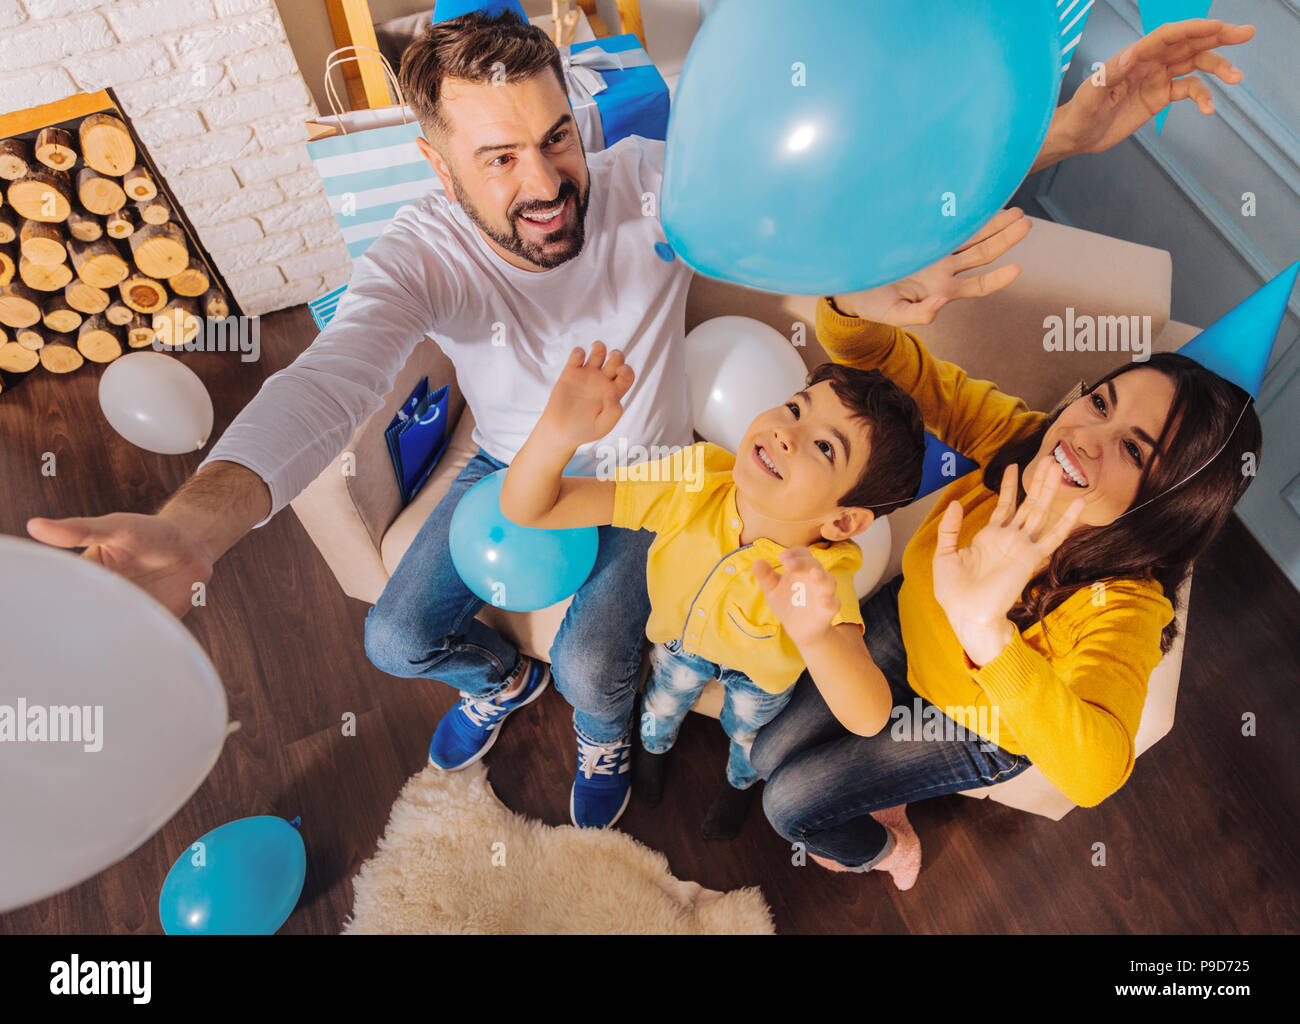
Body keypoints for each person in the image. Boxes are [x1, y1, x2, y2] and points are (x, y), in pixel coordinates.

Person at [24, 13, 1254, 833]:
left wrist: (1060, 132)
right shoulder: (420, 258)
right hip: (521, 468)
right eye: (499, 158)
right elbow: (332, 376)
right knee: (396, 641)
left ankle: (605, 747)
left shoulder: (653, 192)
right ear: (438, 162)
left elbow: (840, 229)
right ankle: (493, 678)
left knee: (602, 666)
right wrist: (200, 525)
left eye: (557, 136)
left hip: (659, 473)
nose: (546, 180)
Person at [748, 207, 1263, 890]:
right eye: (1102, 404)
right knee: (765, 753)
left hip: (972, 724)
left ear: (1166, 502)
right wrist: (855, 301)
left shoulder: (1125, 608)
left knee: (790, 805)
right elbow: (882, 358)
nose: (1085, 438)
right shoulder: (1020, 443)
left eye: (1134, 450)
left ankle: (882, 847)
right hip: (904, 630)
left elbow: (1095, 773)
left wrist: (988, 633)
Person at [499, 344, 925, 835]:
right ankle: (654, 756)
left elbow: (869, 718)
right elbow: (531, 509)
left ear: (844, 519)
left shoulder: (825, 572)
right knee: (659, 708)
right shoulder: (693, 478)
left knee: (746, 738)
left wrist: (816, 638)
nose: (787, 433)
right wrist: (557, 435)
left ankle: (737, 786)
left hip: (762, 681)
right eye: (794, 408)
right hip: (680, 648)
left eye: (825, 447)